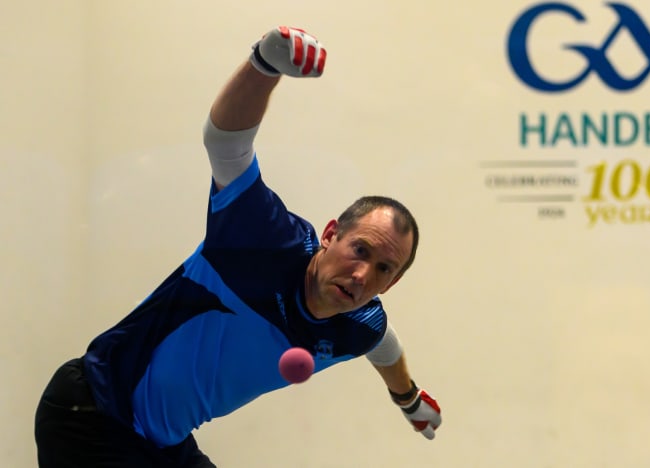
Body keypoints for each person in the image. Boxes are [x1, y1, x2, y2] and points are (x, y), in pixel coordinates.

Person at [34, 26, 442, 467]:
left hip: (163, 441)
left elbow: (384, 345)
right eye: (360, 250)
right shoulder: (264, 239)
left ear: (391, 284)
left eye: (384, 269)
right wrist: (264, 64)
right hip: (92, 411)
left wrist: (408, 398)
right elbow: (226, 144)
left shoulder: (359, 321)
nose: (363, 275)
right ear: (330, 235)